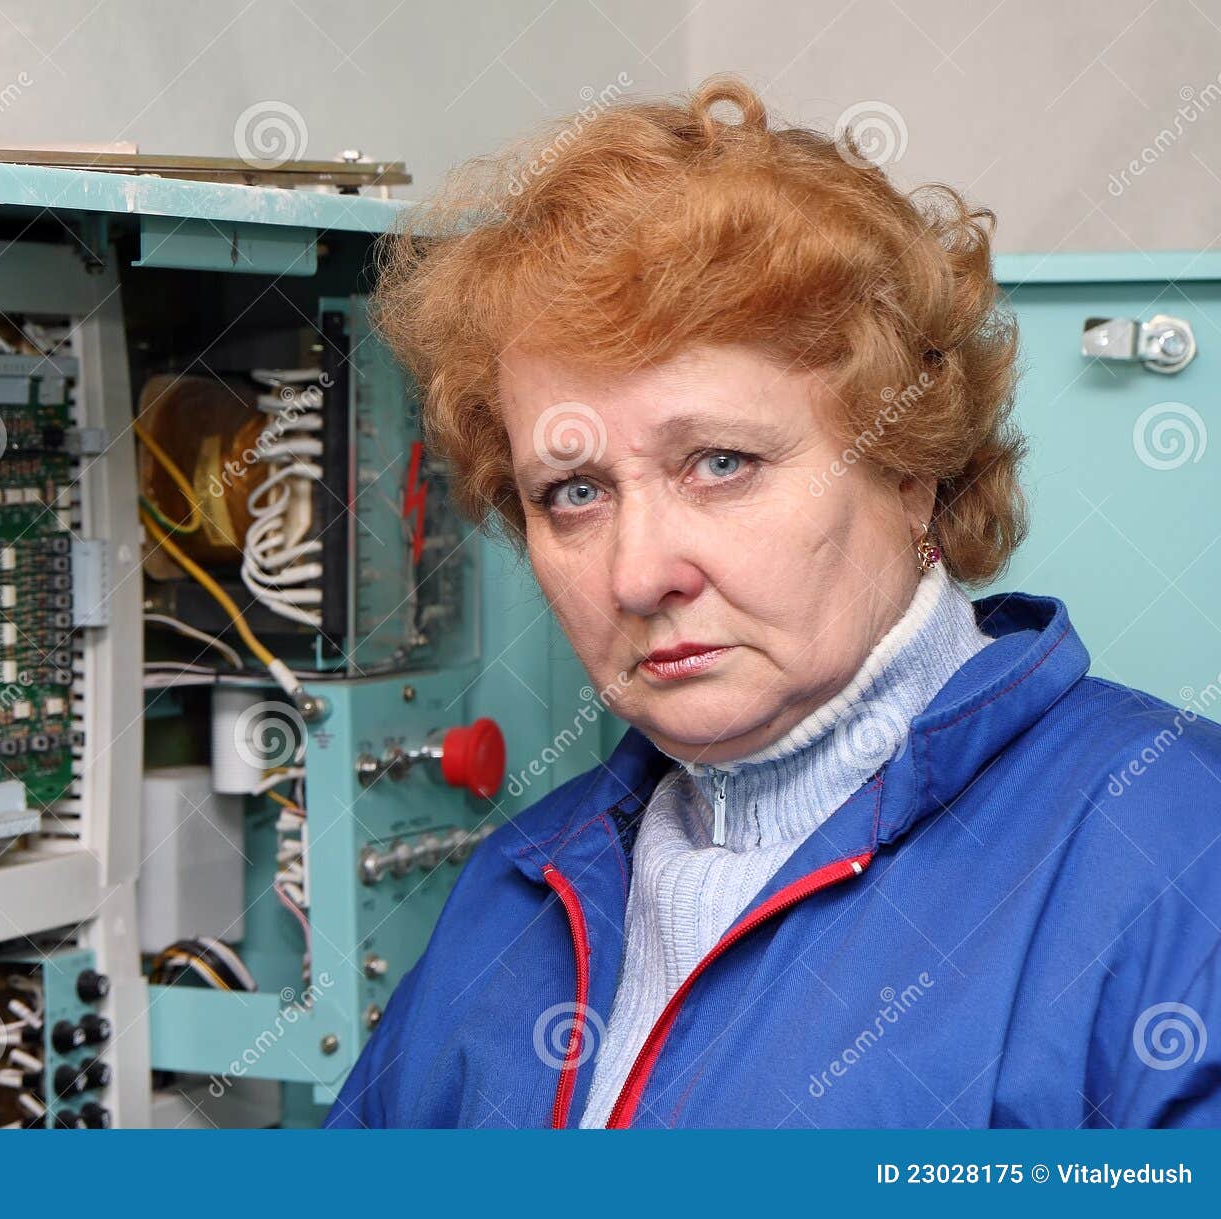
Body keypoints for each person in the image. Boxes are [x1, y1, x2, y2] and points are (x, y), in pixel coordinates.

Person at [324, 74, 1221, 1129]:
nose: (637, 573)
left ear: (907, 466)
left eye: (718, 462)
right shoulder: (511, 899)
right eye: (573, 493)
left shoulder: (1172, 849)